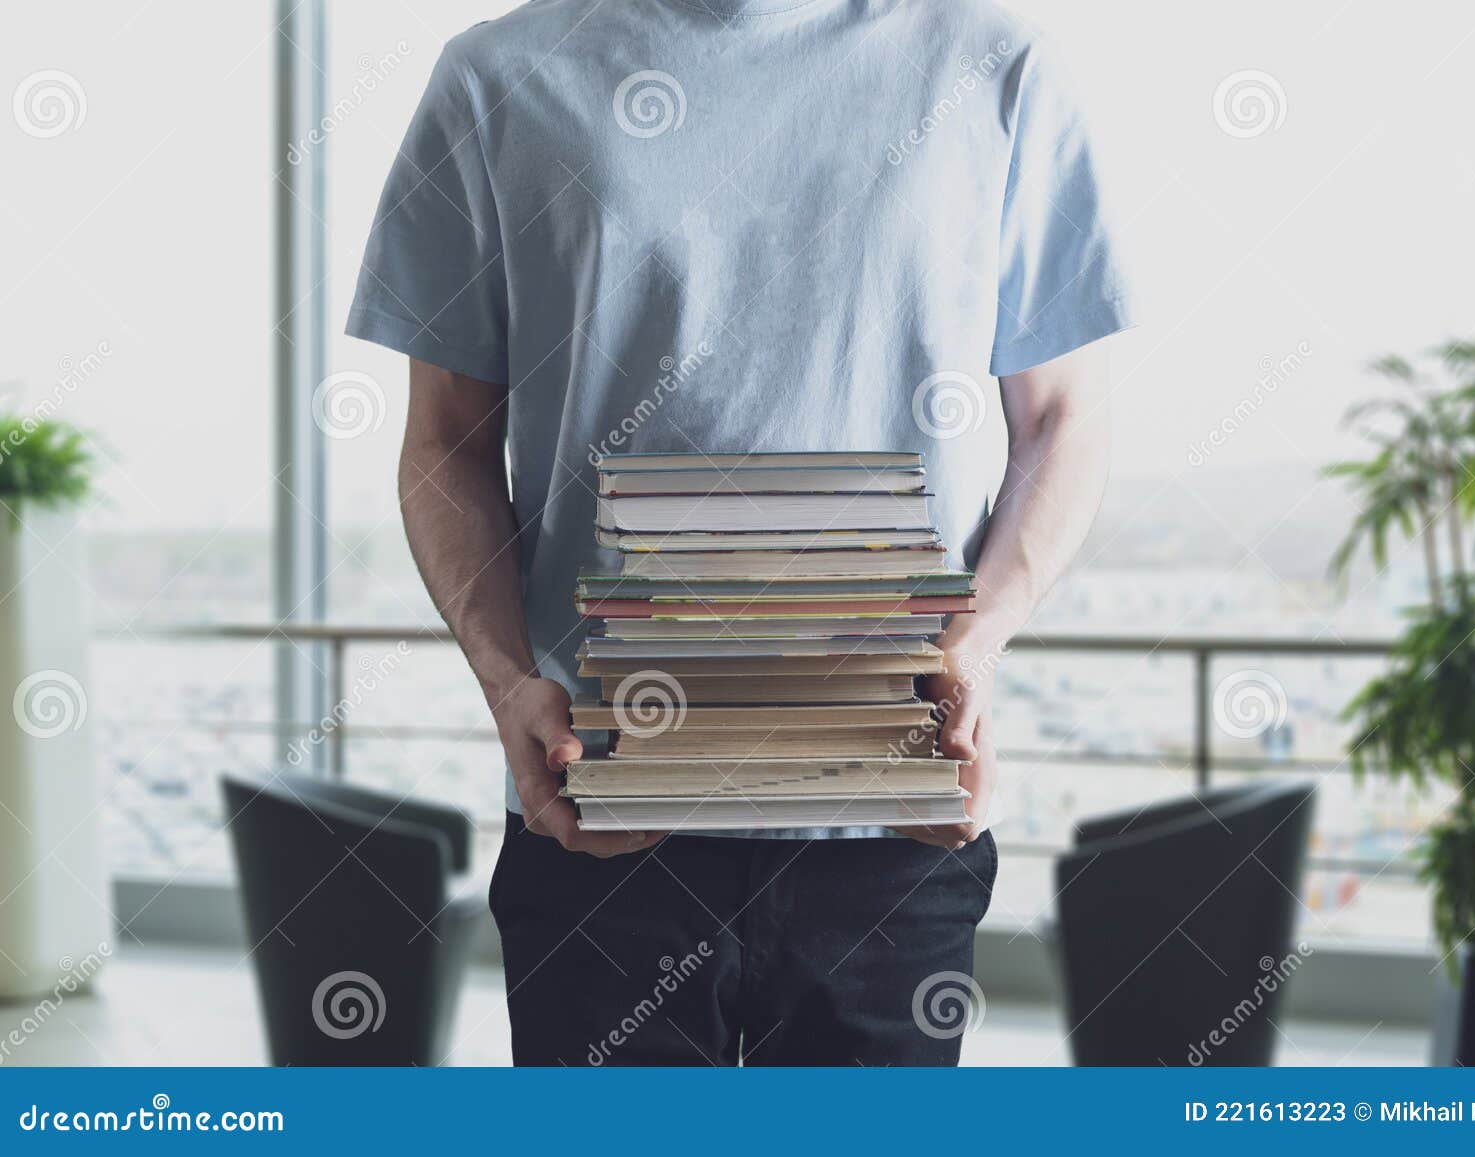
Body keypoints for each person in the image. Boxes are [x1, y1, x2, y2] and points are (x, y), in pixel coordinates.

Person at [347, 0, 1130, 1066]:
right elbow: (444, 442)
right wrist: (503, 681)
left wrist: (976, 644)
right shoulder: (499, 78)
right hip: (601, 810)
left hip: (888, 825)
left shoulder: (994, 66)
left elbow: (1059, 421)